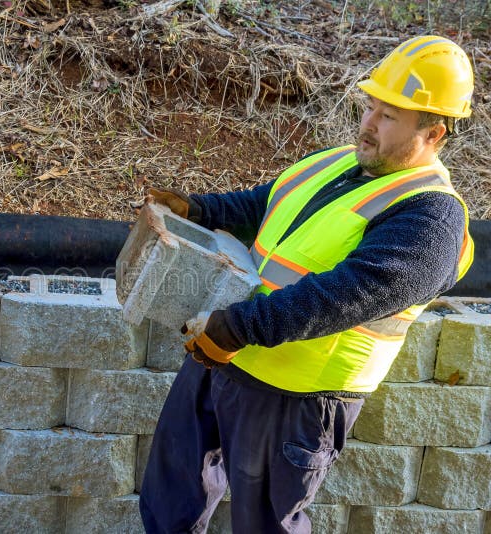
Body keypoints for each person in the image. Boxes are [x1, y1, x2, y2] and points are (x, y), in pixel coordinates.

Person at [139, 35, 475, 533]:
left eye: (389, 116)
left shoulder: (433, 215)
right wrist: (200, 211)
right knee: (169, 503)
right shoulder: (337, 162)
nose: (368, 124)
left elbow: (350, 292)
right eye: (371, 107)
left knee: (266, 526)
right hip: (224, 356)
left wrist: (239, 327)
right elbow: (263, 205)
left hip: (295, 397)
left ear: (434, 134)